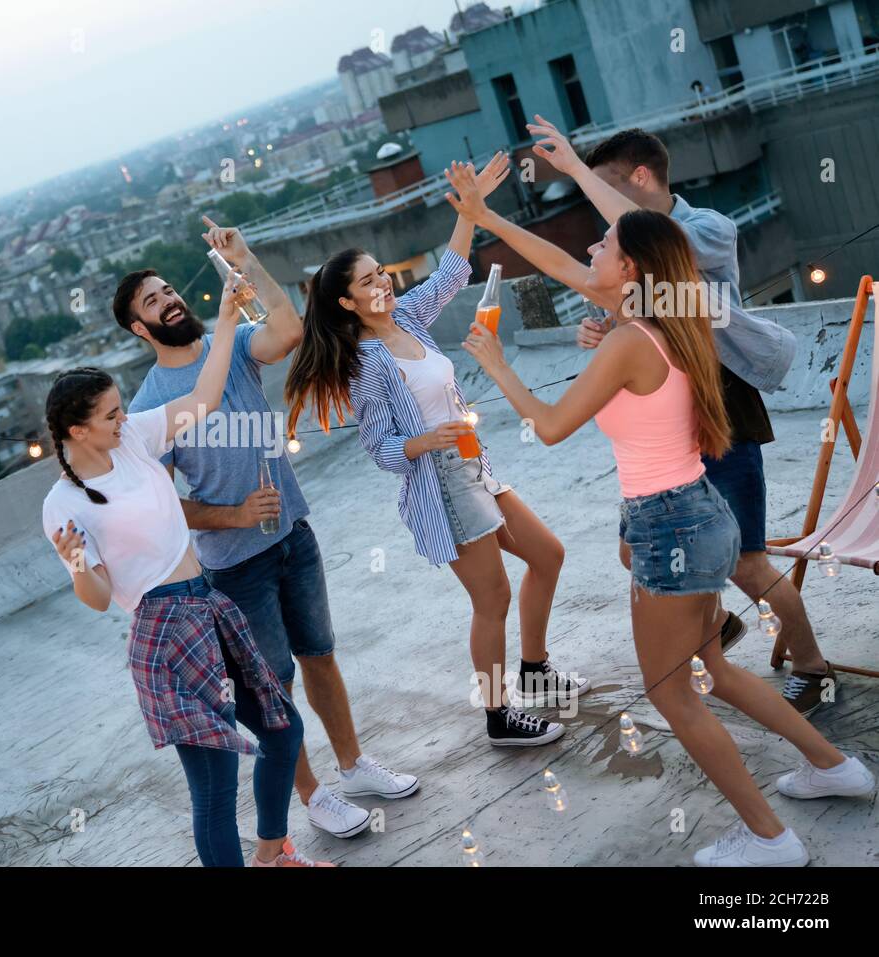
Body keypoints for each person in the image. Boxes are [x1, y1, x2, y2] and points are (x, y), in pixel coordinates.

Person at [444, 161, 873, 866]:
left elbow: (550, 426)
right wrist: (486, 219)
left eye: (604, 245)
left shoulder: (627, 339)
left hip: (669, 526)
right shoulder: (666, 316)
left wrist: (495, 364)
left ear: (632, 266)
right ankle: (834, 766)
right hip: (700, 513)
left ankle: (771, 838)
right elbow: (561, 264)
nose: (590, 252)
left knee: (673, 694)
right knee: (718, 670)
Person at [119, 217, 417, 840]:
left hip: (293, 534)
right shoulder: (149, 404)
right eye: (153, 301)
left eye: (169, 289)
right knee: (272, 684)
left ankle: (354, 766)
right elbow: (159, 504)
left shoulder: (227, 350)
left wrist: (245, 257)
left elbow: (288, 329)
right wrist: (231, 515)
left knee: (321, 657)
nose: (170, 299)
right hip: (234, 564)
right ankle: (312, 796)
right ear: (137, 327)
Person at [527, 118, 833, 717]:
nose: (602, 211)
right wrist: (606, 328)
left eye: (605, 184)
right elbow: (638, 310)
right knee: (632, 550)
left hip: (721, 403)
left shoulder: (708, 230)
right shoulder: (632, 247)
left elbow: (656, 245)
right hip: (662, 413)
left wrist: (573, 170)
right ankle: (714, 627)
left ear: (640, 176)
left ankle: (814, 667)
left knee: (746, 561)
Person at [284, 153, 588, 750]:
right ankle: (499, 715)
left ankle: (534, 667)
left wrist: (470, 210)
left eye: (381, 273)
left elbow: (450, 273)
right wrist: (421, 441)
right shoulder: (365, 363)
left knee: (547, 555)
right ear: (346, 303)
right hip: (441, 482)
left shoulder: (410, 324)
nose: (383, 284)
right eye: (368, 281)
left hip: (477, 467)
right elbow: (379, 448)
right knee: (492, 597)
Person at [41, 271, 331, 867]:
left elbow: (203, 397)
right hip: (164, 631)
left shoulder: (135, 441)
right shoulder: (64, 505)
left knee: (281, 729)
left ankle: (273, 853)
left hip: (209, 603)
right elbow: (96, 598)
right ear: (77, 430)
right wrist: (75, 564)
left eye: (122, 410)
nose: (124, 419)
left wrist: (226, 318)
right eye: (110, 415)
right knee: (215, 788)